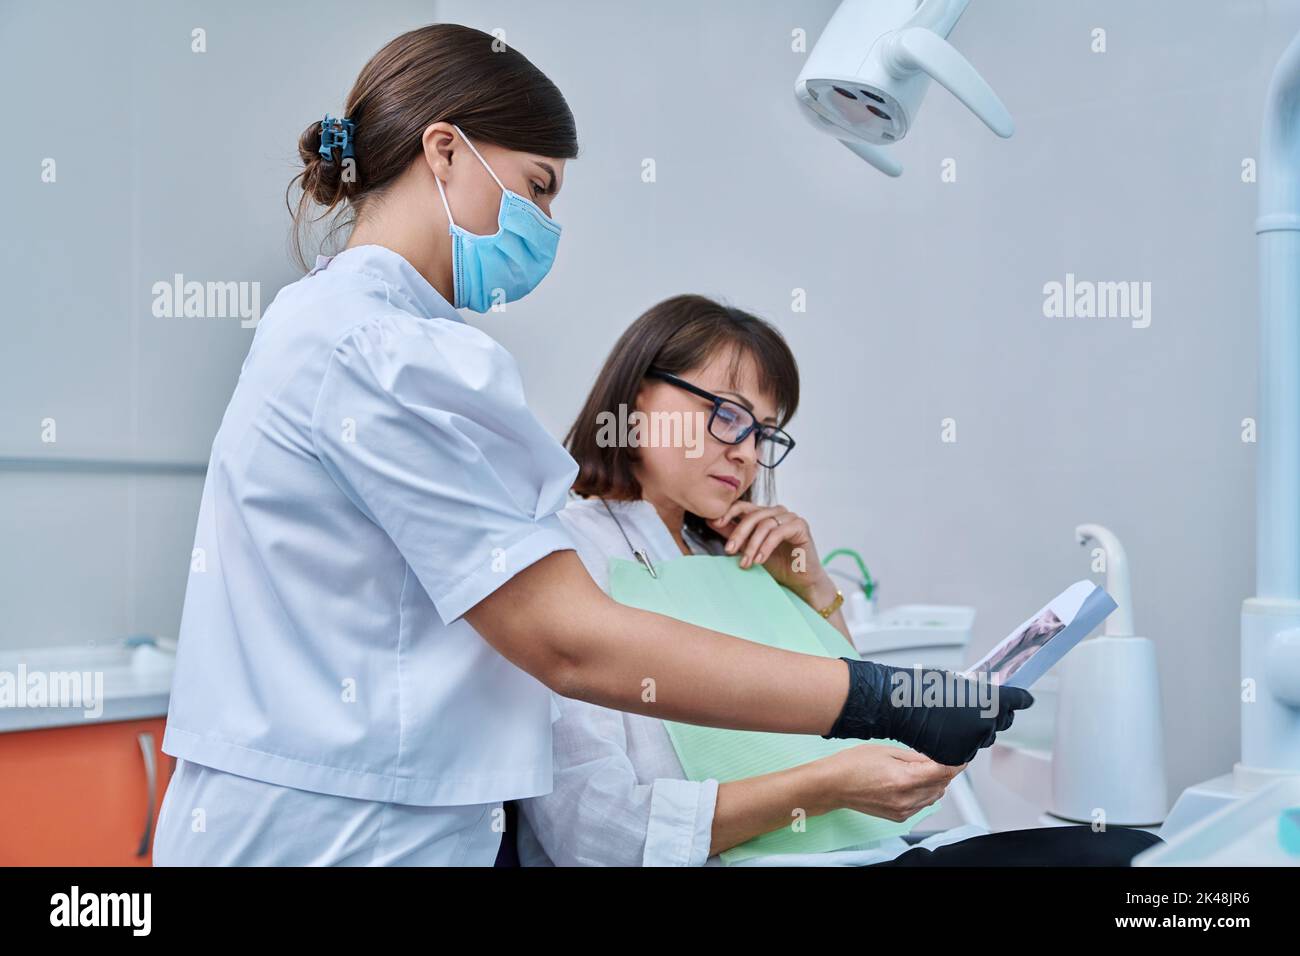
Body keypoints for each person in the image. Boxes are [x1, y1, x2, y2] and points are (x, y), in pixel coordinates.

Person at [152, 24, 1028, 867]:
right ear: (446, 151)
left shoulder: (361, 333)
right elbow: (571, 644)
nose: (545, 224)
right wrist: (881, 700)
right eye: (537, 187)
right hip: (329, 832)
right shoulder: (375, 349)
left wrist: (832, 618)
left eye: (762, 430)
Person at [517, 295, 1162, 866]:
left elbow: (856, 715)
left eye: (764, 432)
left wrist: (815, 592)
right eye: (728, 414)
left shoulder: (731, 555)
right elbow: (592, 836)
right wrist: (824, 786)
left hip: (857, 851)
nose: (746, 451)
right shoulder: (567, 557)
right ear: (635, 398)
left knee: (1142, 854)